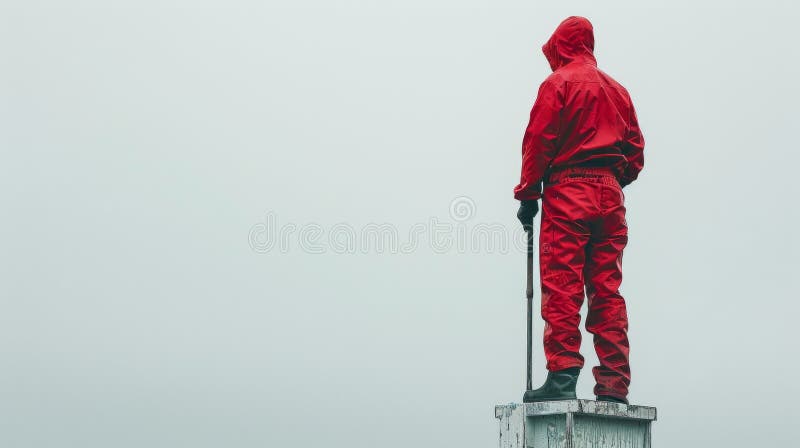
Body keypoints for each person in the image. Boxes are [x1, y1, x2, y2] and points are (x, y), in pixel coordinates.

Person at [515, 16, 645, 405]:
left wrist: (528, 195)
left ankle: (562, 375)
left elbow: (538, 141)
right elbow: (636, 153)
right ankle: (614, 385)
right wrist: (612, 180)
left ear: (560, 46)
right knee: (607, 289)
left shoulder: (557, 84)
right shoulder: (617, 91)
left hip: (568, 193)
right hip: (609, 199)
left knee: (563, 285)